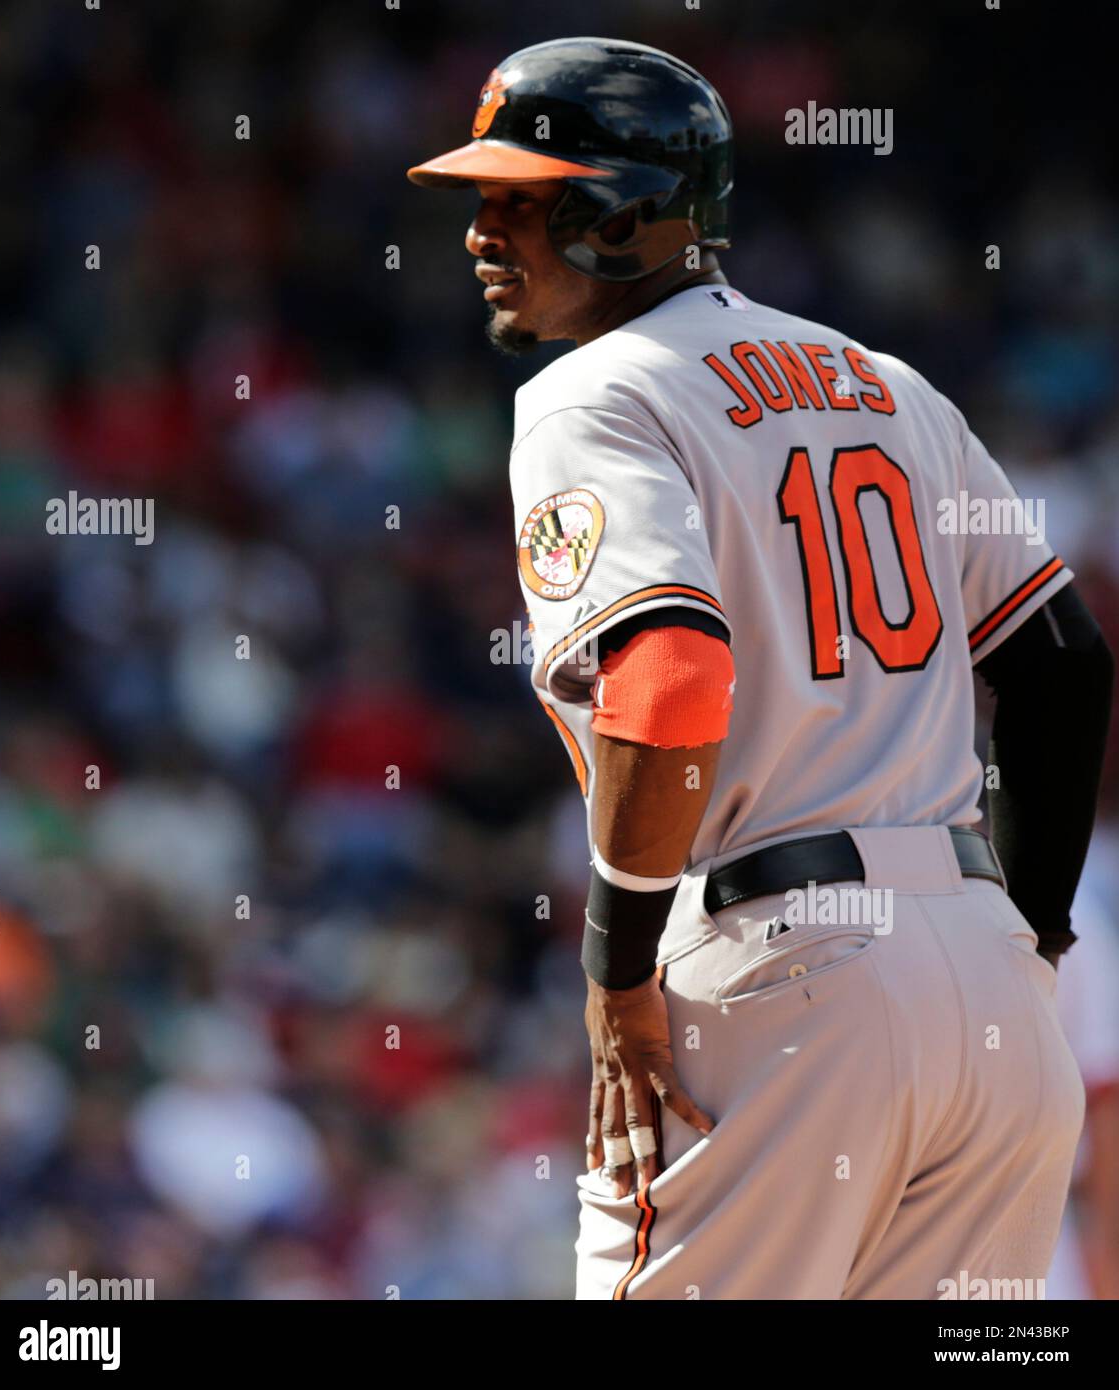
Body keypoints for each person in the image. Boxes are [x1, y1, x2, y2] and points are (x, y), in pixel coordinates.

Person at [408, 36, 1114, 1299]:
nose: (479, 234)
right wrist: (1028, 936)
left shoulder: (594, 394)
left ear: (621, 218)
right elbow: (1061, 664)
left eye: (518, 201)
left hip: (783, 973)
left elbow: (672, 678)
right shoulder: (886, 383)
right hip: (987, 993)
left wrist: (616, 973)